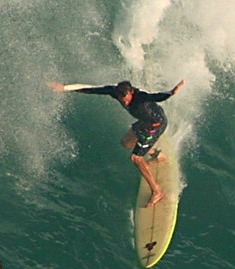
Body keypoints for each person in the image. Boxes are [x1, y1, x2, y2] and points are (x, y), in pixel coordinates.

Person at [49, 79, 184, 206]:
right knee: (126, 142)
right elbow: (91, 88)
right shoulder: (115, 91)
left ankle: (157, 191)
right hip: (144, 123)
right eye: (121, 100)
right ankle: (157, 155)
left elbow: (156, 96)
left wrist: (171, 92)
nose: (124, 103)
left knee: (136, 157)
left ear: (131, 92)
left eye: (125, 99)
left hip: (155, 124)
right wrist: (65, 87)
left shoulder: (140, 96)